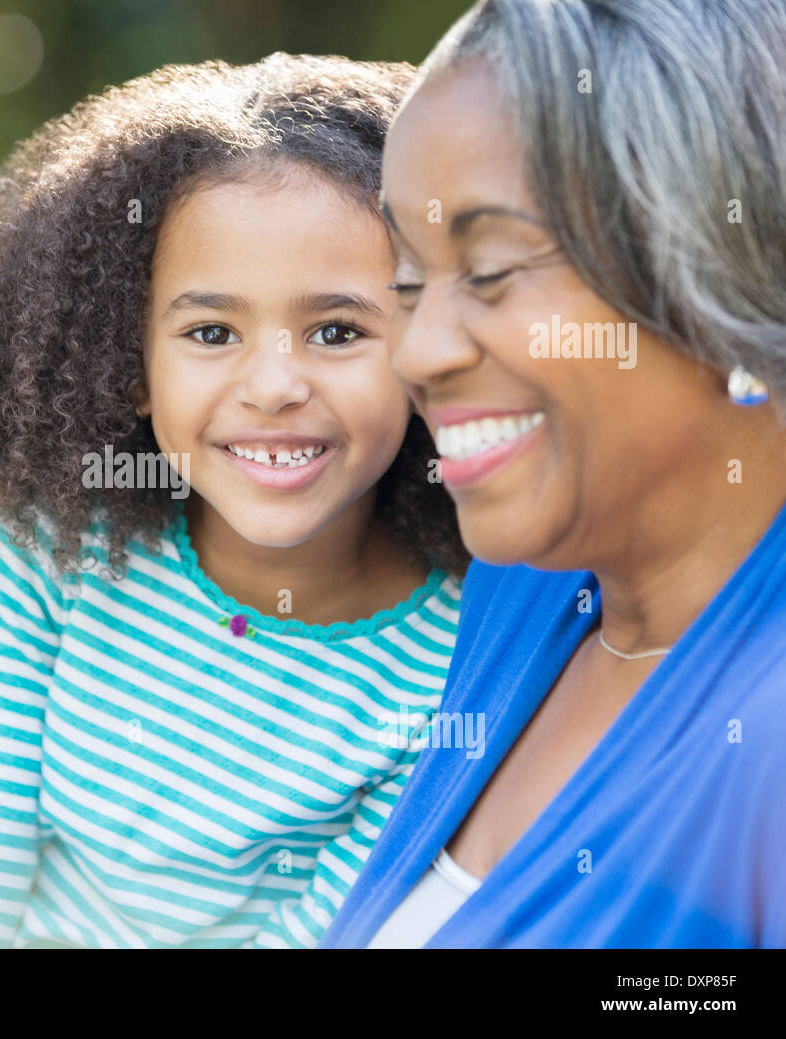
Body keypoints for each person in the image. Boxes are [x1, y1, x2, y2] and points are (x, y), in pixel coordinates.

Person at [0, 53, 467, 947]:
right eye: (211, 331)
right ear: (130, 367)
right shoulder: (52, 546)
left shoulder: (452, 662)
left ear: (425, 347)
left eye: (336, 330)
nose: (275, 385)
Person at [323, 0, 786, 948]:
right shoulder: (527, 589)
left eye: (489, 271)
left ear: (728, 268)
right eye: (409, 282)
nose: (419, 351)